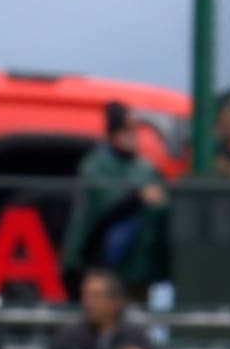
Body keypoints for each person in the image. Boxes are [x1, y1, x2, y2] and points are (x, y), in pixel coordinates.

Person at [60, 101, 170, 301]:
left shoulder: (145, 167)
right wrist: (138, 197)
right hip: (100, 263)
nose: (131, 137)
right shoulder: (96, 165)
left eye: (133, 131)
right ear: (113, 135)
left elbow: (163, 201)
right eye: (124, 131)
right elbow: (104, 205)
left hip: (138, 267)